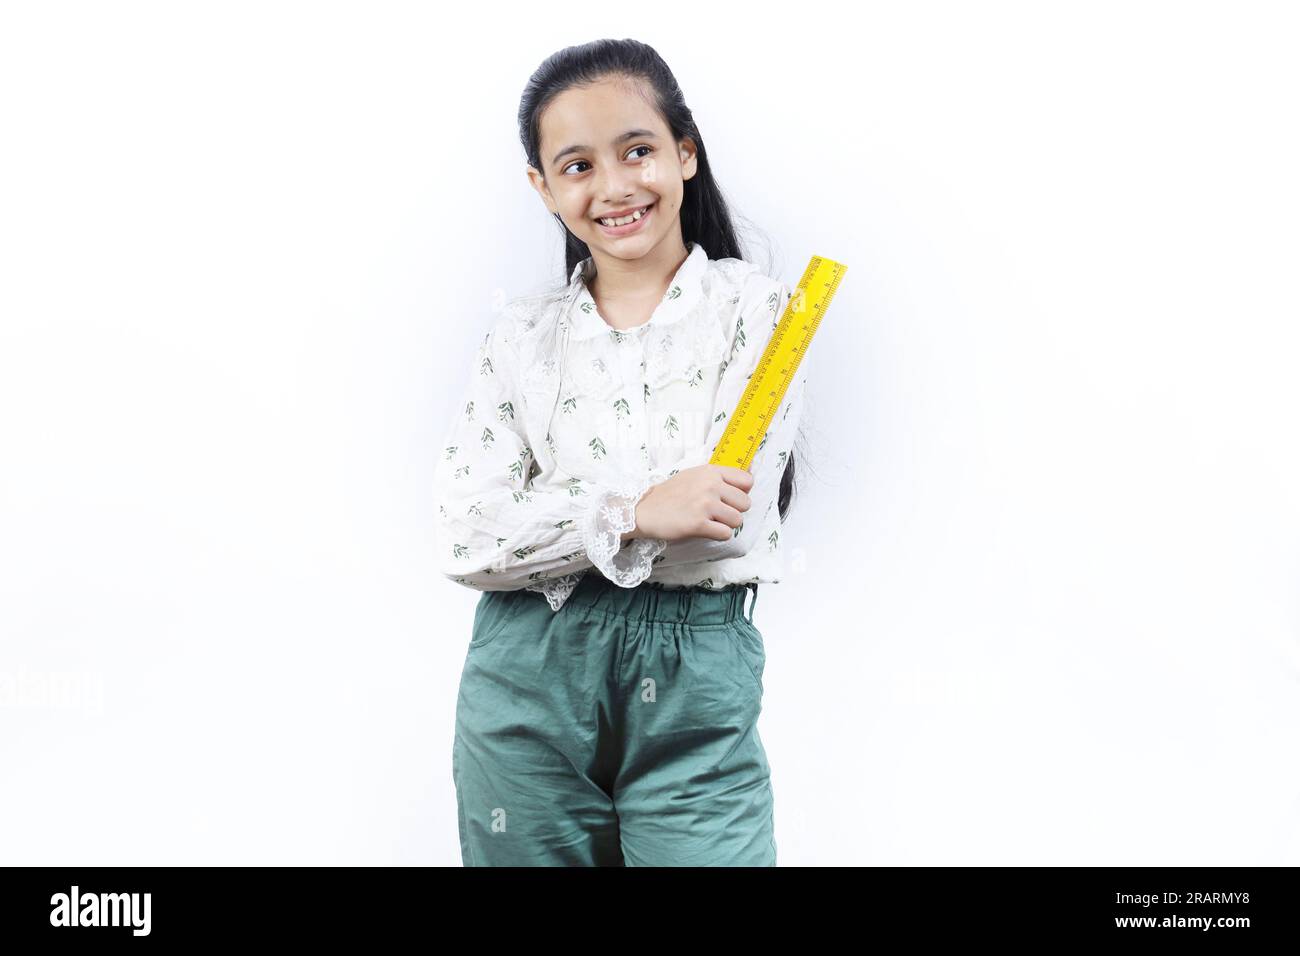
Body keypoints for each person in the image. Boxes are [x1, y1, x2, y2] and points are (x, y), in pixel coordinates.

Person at [433, 38, 809, 866]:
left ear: (684, 152)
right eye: (576, 165)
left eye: (637, 150)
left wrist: (558, 520)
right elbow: (466, 533)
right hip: (525, 675)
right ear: (543, 188)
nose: (614, 186)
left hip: (695, 674)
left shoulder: (767, 314)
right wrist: (636, 512)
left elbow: (724, 523)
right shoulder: (518, 338)